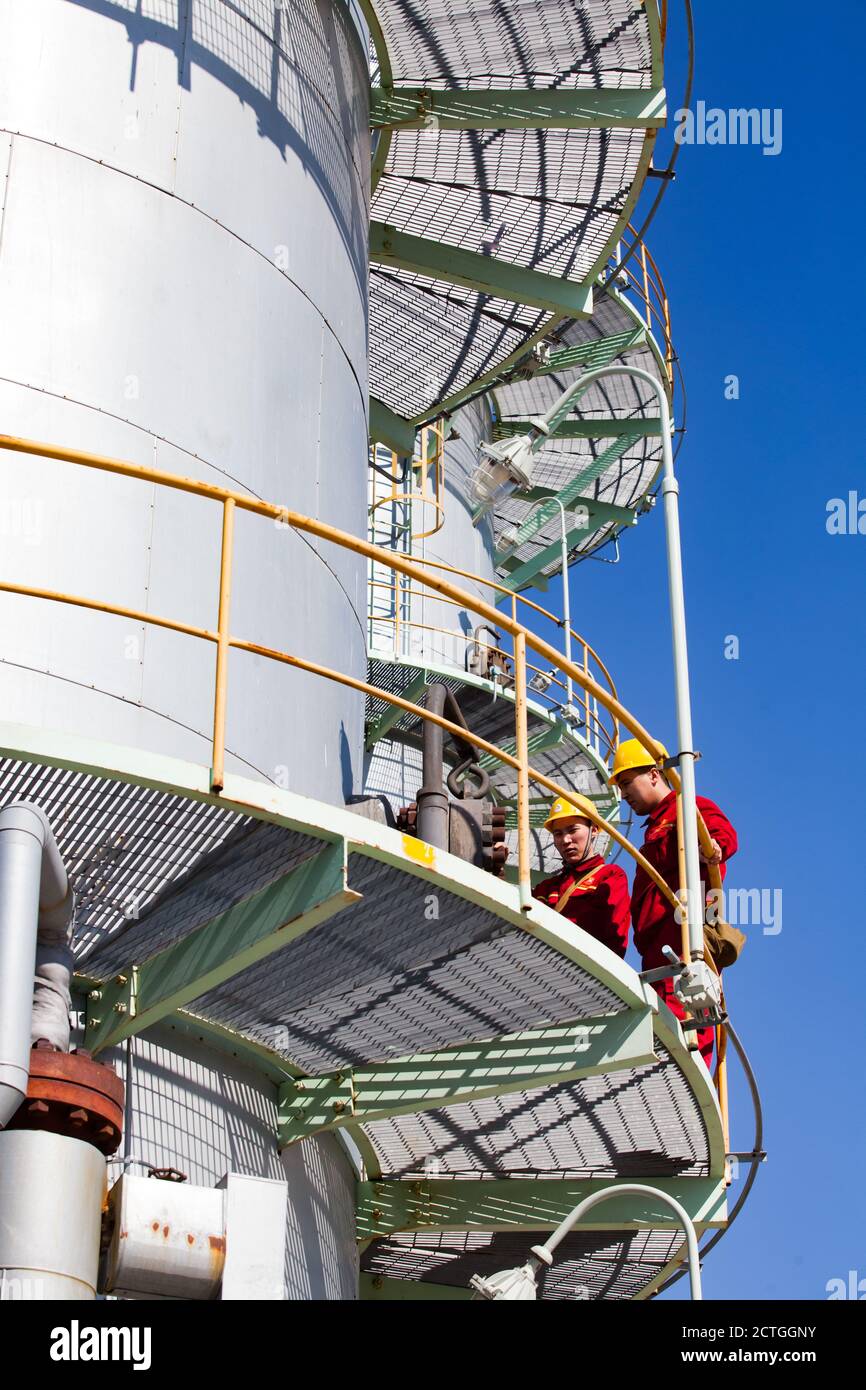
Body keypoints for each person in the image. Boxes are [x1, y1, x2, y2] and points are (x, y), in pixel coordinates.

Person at [610, 738, 738, 1067]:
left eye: (627, 782)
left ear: (654, 775)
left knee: (687, 1028)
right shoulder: (656, 825)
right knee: (663, 1029)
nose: (624, 794)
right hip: (657, 950)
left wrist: (713, 849)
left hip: (682, 943)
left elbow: (722, 837)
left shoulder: (688, 806)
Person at [533, 795, 630, 958]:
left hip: (585, 971)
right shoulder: (546, 888)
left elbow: (615, 935)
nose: (565, 840)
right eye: (558, 833)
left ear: (593, 830)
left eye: (572, 830)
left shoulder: (609, 876)